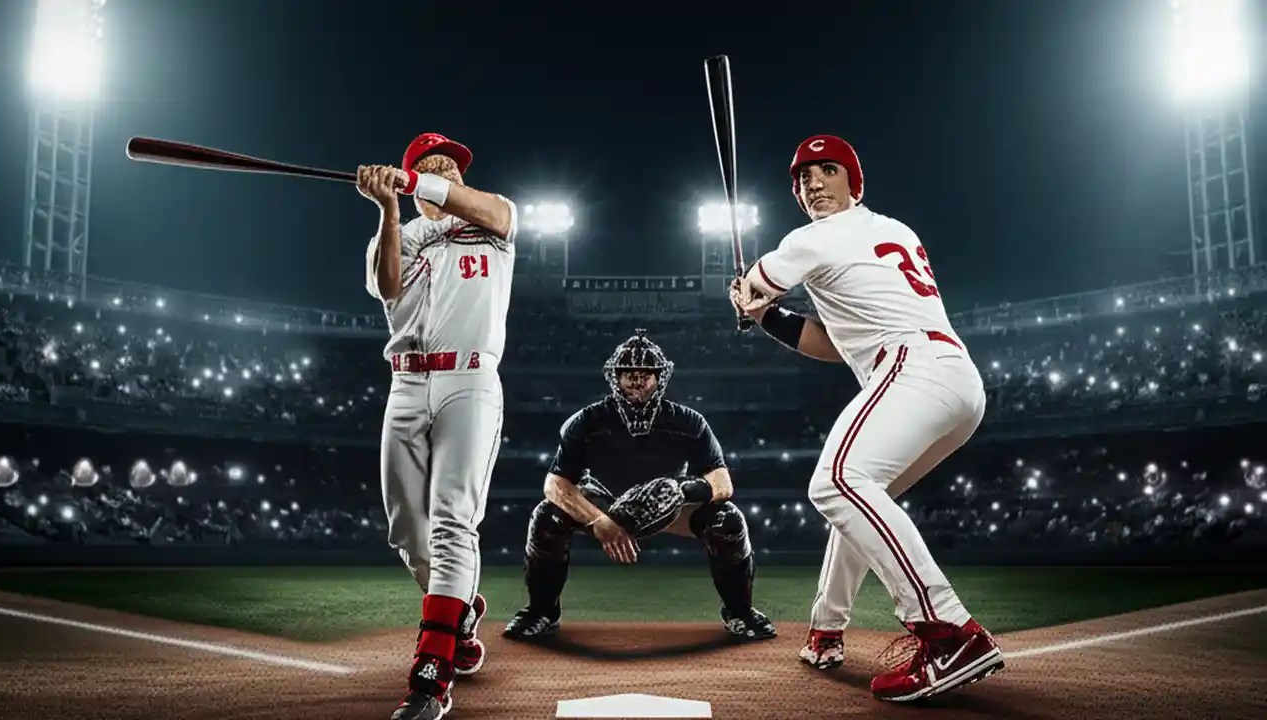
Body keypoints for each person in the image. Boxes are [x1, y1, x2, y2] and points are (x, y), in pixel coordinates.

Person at [729, 134, 1004, 702]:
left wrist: (745, 294)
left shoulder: (818, 235)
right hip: (953, 380)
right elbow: (832, 342)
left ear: (854, 183)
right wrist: (766, 317)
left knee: (836, 483)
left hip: (912, 366)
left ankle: (950, 631)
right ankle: (827, 629)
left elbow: (756, 282)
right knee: (857, 500)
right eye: (803, 177)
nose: (812, 182)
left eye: (827, 170)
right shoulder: (890, 230)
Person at [356, 131, 518, 720]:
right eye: (430, 165)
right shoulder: (397, 233)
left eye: (451, 165)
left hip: (469, 383)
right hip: (404, 383)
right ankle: (461, 612)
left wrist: (421, 181)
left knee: (454, 519)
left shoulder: (494, 221)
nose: (446, 171)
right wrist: (388, 207)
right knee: (405, 528)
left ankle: (431, 676)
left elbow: (495, 210)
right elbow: (388, 287)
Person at [501, 329, 777, 643]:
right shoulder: (587, 421)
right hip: (603, 503)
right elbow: (554, 484)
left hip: (671, 508)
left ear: (661, 378)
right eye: (628, 374)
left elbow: (722, 483)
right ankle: (541, 612)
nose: (637, 380)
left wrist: (679, 491)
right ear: (614, 378)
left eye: (646, 374)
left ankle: (740, 612)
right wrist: (599, 520)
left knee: (727, 519)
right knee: (546, 515)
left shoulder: (689, 422)